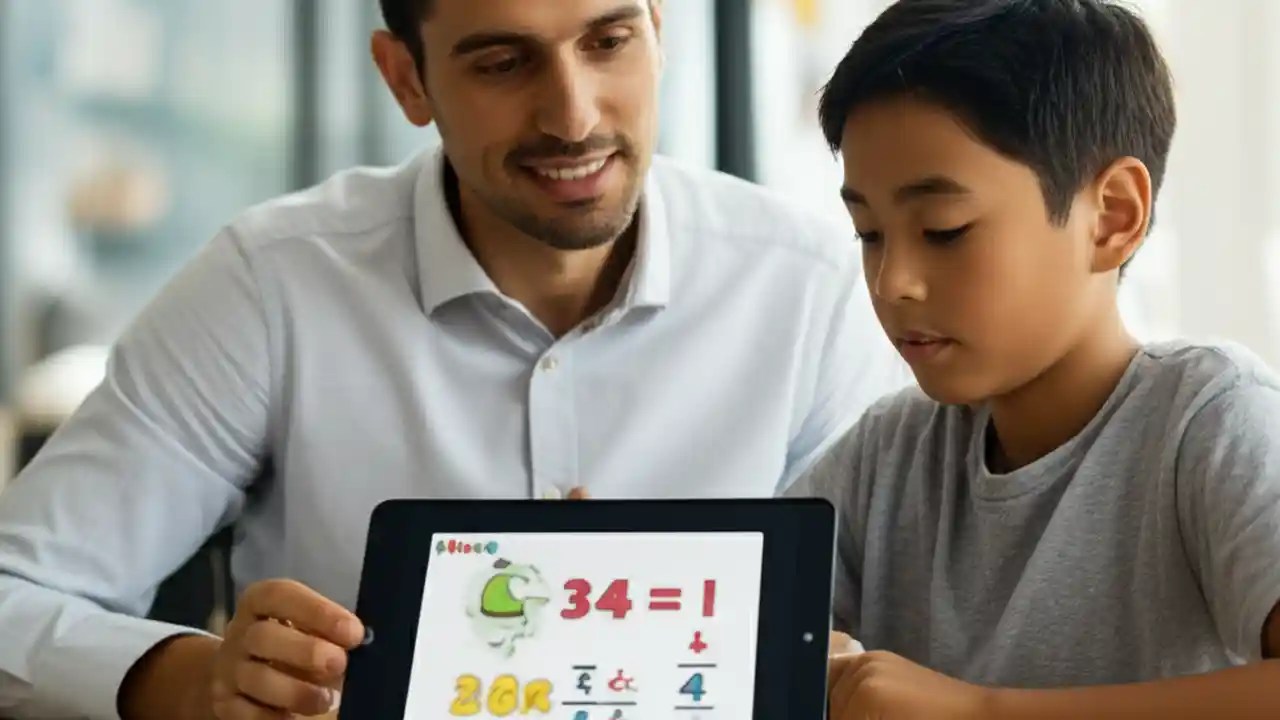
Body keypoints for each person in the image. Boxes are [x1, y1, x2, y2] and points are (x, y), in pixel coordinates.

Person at [0, 1, 906, 718]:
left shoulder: (808, 287)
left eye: (608, 40)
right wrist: (196, 682)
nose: (573, 114)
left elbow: (917, 627)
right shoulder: (274, 284)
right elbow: (15, 601)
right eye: (503, 62)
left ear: (658, 33)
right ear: (406, 79)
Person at [801, 0, 1280, 717]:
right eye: (868, 232)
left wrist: (982, 711)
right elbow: (731, 614)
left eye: (944, 230)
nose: (891, 281)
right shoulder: (888, 452)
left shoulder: (1209, 420)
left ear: (1112, 216)